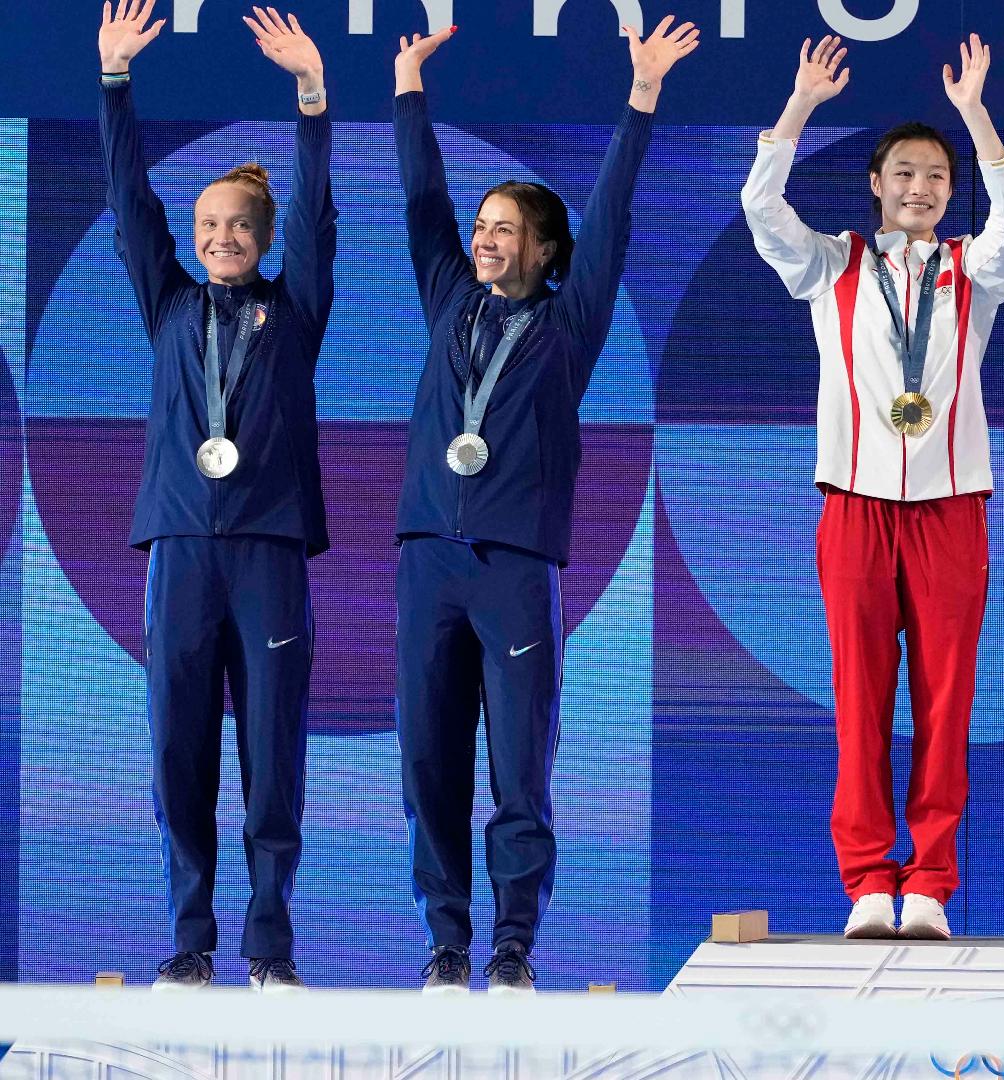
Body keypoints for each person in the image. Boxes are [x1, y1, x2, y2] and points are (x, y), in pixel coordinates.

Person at [390, 15, 697, 993]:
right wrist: (407, 90)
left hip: (517, 567)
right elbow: (422, 200)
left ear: (545, 248)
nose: (484, 239)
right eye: (481, 227)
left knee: (520, 771)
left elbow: (610, 216)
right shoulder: (449, 299)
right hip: (427, 560)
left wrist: (641, 98)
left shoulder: (570, 324)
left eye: (505, 229)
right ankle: (445, 945)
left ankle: (513, 947)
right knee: (428, 766)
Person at [742, 33, 1004, 940]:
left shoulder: (973, 272)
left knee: (946, 707)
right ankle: (869, 880)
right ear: (875, 184)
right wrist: (800, 105)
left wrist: (976, 116)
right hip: (855, 508)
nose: (920, 187)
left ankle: (931, 884)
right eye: (904, 173)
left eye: (937, 176)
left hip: (952, 509)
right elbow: (759, 204)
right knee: (861, 703)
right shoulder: (831, 264)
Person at [98, 0, 335, 993]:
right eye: (208, 226)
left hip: (269, 550)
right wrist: (115, 84)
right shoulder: (169, 305)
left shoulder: (297, 308)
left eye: (239, 225)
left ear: (264, 236)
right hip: (181, 549)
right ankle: (189, 942)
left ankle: (270, 947)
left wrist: (311, 97)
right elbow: (130, 206)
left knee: (272, 757)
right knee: (178, 754)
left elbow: (318, 215)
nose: (221, 236)